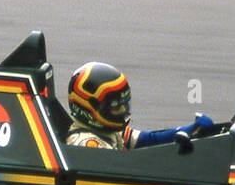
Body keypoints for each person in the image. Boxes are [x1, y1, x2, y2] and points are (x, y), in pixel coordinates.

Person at [65, 62, 214, 150]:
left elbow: (148, 139)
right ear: (89, 109)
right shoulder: (88, 145)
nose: (123, 110)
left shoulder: (105, 131)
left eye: (124, 104)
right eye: (115, 106)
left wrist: (189, 130)